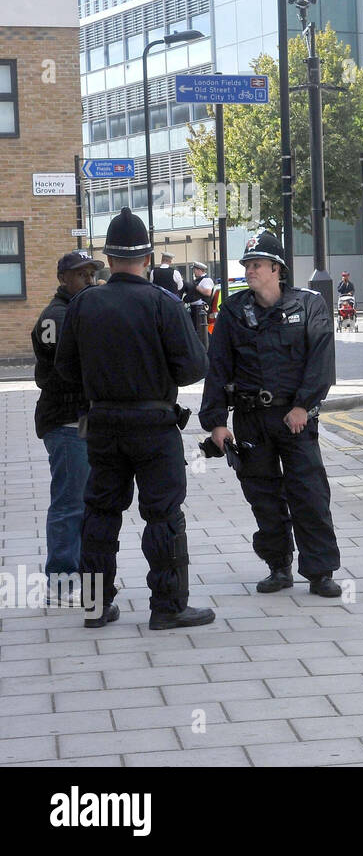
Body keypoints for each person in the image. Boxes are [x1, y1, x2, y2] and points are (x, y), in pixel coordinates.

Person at [55, 208, 215, 630]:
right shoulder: (164, 303)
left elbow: (65, 369)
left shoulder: (84, 304)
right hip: (154, 425)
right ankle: (168, 606)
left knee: (100, 512)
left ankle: (95, 606)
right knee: (162, 515)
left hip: (102, 424)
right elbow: (193, 368)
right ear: (147, 258)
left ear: (108, 259)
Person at [200, 231, 343, 597]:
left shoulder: (308, 305)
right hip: (251, 419)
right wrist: (216, 422)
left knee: (309, 494)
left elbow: (321, 361)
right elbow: (218, 367)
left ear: (277, 269)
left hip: (294, 419)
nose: (250, 270)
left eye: (257, 264)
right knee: (263, 497)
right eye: (247, 264)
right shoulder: (234, 311)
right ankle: (278, 566)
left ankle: (320, 572)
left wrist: (303, 405)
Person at [31, 250, 102, 606]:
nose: (89, 280)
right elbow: (71, 369)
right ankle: (60, 584)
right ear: (63, 279)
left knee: (81, 502)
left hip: (78, 421)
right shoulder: (57, 317)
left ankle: (76, 577)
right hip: (66, 421)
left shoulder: (76, 311)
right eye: (80, 275)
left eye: (91, 274)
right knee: (70, 503)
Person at [182, 260, 213, 351]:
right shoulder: (198, 280)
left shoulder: (206, 280)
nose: (194, 272)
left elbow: (207, 292)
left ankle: (208, 347)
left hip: (200, 308)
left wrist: (196, 287)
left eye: (195, 270)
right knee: (196, 329)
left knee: (201, 329)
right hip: (195, 308)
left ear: (200, 270)